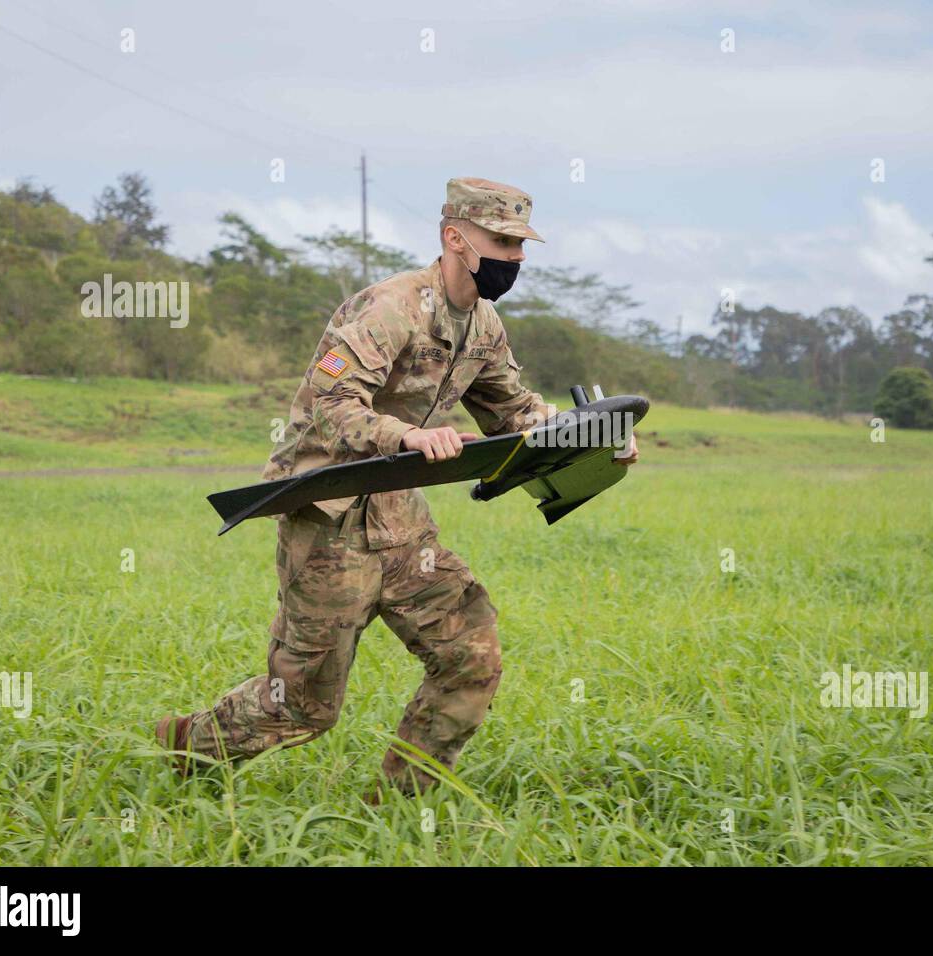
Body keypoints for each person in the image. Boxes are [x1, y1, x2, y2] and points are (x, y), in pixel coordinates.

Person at [155, 177, 638, 801]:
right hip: (329, 513)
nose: (515, 259)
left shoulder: (484, 325)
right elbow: (331, 399)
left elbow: (512, 413)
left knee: (471, 657)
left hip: (401, 516)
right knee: (303, 707)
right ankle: (187, 743)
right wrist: (404, 435)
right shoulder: (389, 308)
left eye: (522, 246)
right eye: (502, 242)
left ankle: (401, 806)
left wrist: (598, 437)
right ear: (455, 238)